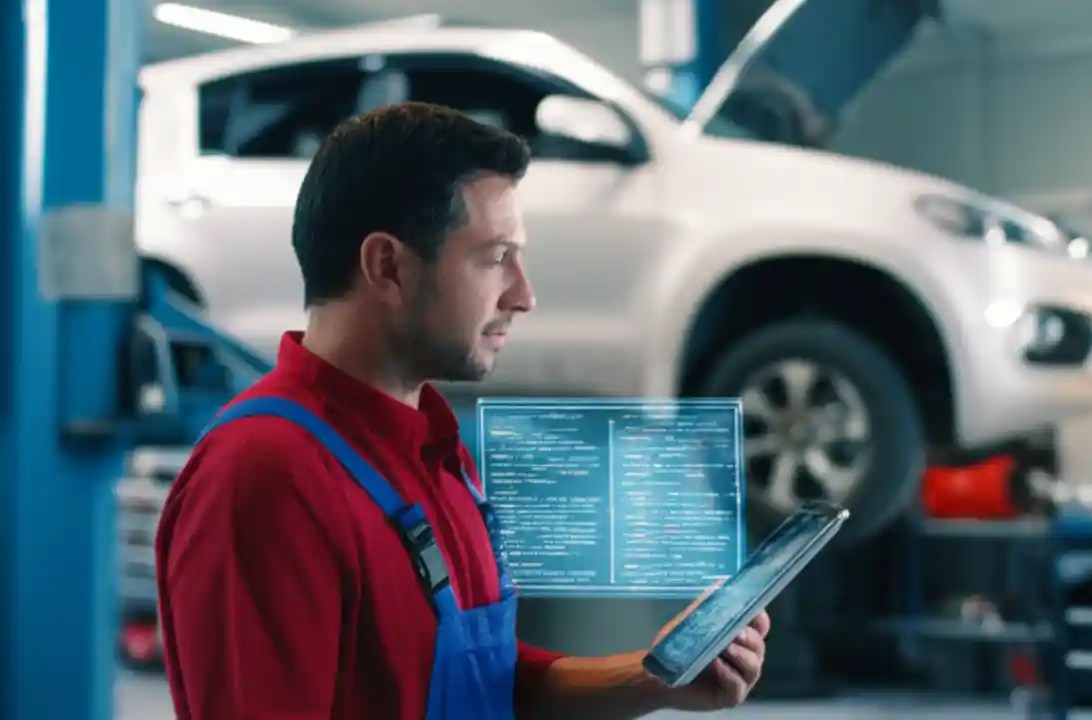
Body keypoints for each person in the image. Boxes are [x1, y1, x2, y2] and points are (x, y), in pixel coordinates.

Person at [154, 101, 770, 720]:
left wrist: (653, 678)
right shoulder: (266, 475)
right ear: (387, 266)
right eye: (495, 257)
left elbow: (492, 684)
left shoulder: (436, 456)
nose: (524, 295)